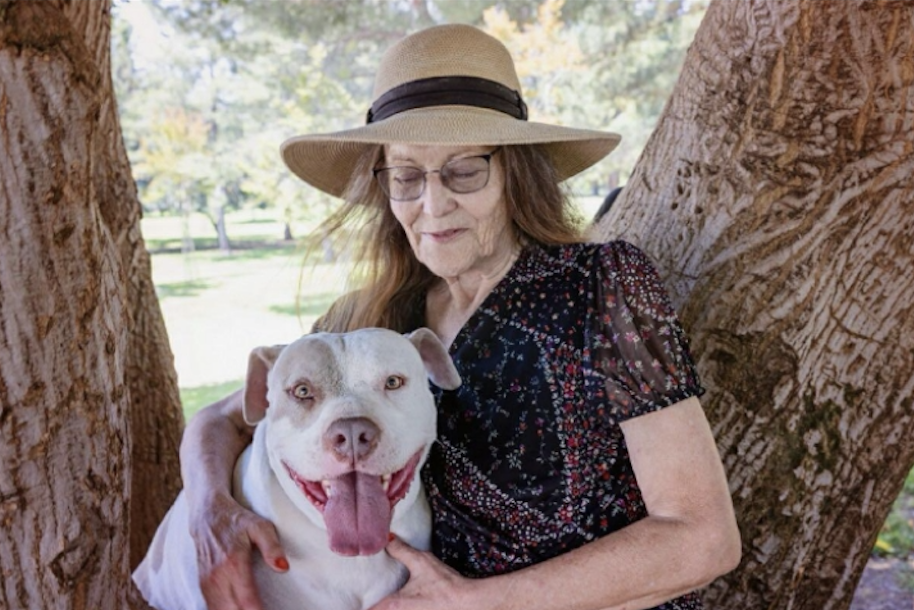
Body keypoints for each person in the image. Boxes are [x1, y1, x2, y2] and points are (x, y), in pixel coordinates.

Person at [181, 24, 741, 610]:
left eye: (464, 170)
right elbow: (223, 421)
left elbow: (702, 538)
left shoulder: (600, 287)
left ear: (514, 172)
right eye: (406, 176)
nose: (433, 203)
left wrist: (477, 602)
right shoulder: (370, 322)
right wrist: (206, 509)